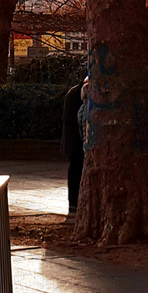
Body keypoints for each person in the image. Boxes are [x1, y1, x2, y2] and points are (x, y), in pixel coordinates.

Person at [61, 81, 86, 215]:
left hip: (78, 141)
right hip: (76, 142)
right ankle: (73, 203)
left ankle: (75, 203)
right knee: (76, 169)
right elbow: (70, 122)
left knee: (77, 170)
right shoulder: (74, 95)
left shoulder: (74, 94)